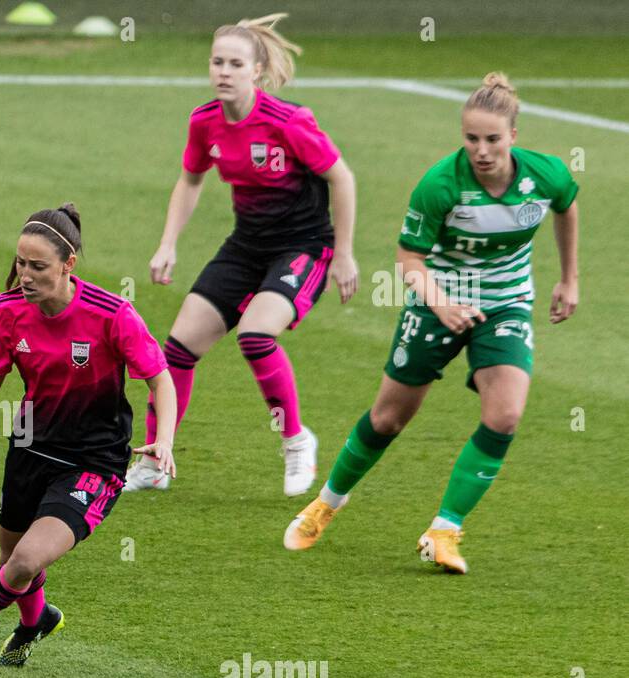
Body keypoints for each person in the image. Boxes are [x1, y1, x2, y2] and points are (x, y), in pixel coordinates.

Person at [284, 73, 579, 573]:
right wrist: (441, 304)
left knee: (505, 414)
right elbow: (408, 257)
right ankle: (327, 503)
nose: (481, 150)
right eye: (471, 139)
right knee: (388, 419)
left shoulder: (544, 175)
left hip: (505, 305)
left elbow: (567, 206)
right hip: (435, 303)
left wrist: (569, 279)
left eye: (492, 139)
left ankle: (444, 530)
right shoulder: (441, 184)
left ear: (514, 136)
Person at [0, 205, 176, 678]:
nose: (25, 275)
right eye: (21, 263)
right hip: (30, 448)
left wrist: (164, 440)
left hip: (94, 462)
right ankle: (36, 623)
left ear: (68, 264)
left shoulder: (113, 315)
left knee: (27, 559)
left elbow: (160, 380)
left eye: (38, 266)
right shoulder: (9, 310)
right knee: (13, 563)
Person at [124, 12, 358, 497]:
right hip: (247, 244)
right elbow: (190, 180)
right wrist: (168, 243)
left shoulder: (289, 122)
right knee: (177, 350)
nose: (224, 72)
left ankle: (296, 440)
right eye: (217, 62)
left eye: (235, 63)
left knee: (255, 335)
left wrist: (345, 254)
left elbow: (342, 177)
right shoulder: (205, 122)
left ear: (256, 71)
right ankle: (153, 461)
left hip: (304, 247)